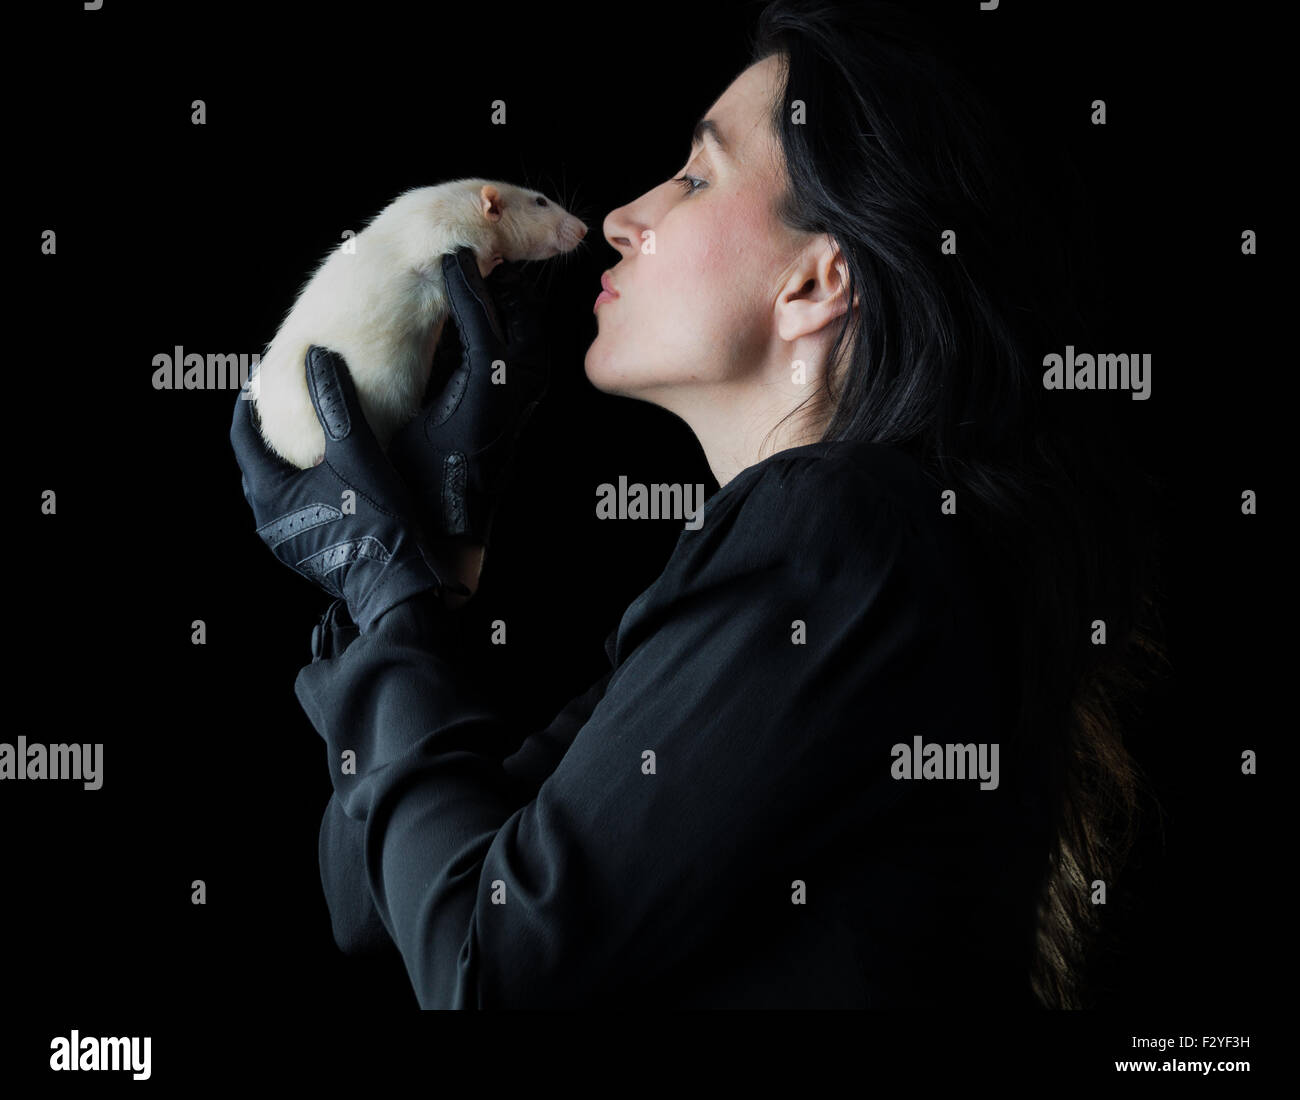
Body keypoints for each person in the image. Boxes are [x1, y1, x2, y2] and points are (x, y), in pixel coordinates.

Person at [230, 0, 1164, 1009]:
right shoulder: (816, 567)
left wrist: (391, 594)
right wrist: (432, 570)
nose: (628, 217)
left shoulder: (838, 539)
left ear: (816, 280)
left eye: (695, 175)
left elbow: (484, 965)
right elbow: (377, 904)